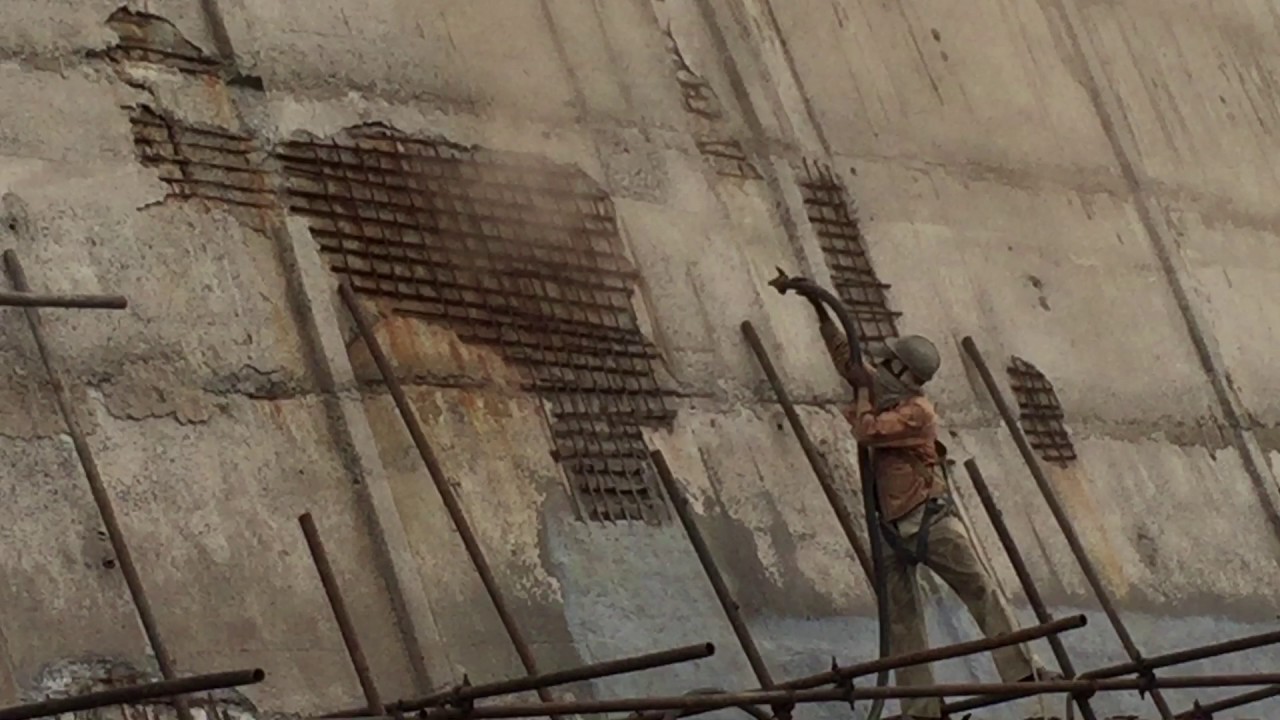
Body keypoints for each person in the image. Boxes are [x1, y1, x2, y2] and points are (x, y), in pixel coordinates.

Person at [805, 293, 1060, 720]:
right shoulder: (885, 392)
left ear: (904, 373)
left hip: (929, 519)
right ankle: (920, 706)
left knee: (980, 589)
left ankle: (1020, 671)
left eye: (887, 366)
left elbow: (867, 432)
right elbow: (848, 360)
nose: (878, 370)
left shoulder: (917, 412)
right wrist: (820, 311)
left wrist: (864, 395)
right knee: (903, 622)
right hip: (889, 526)